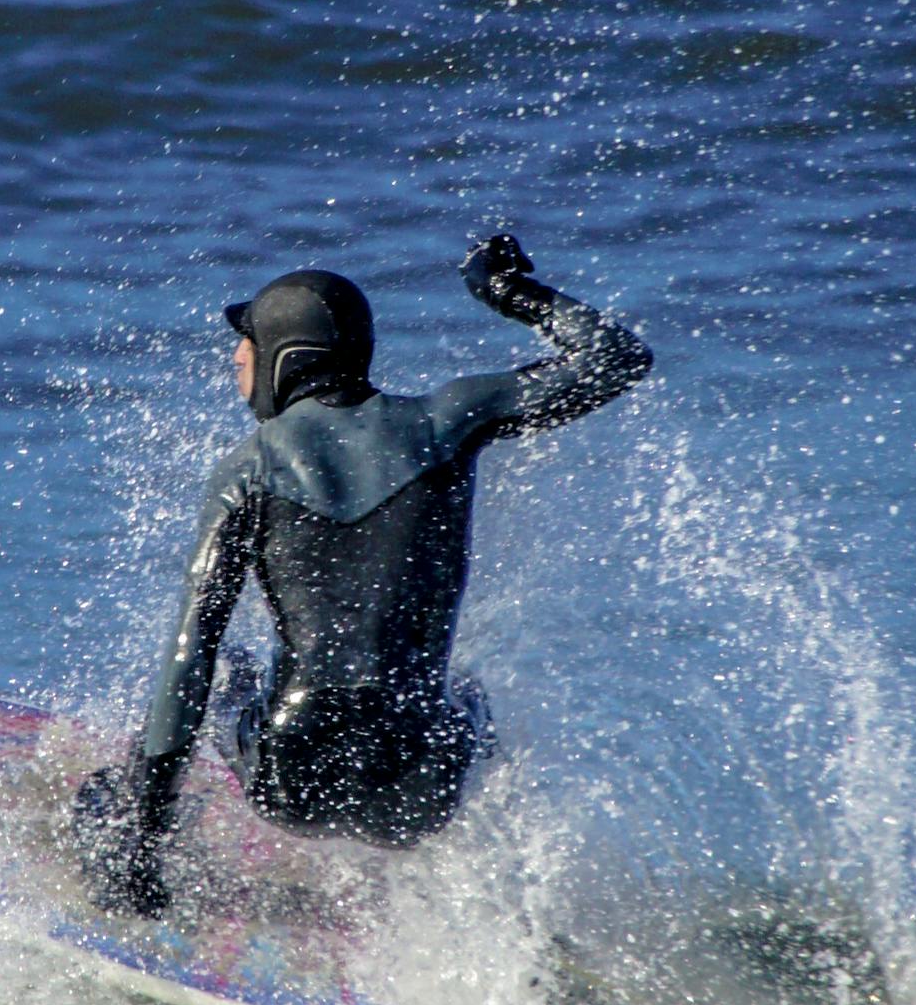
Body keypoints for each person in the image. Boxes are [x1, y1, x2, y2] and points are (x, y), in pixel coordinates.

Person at [73, 232, 651, 917]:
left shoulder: (249, 467)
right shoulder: (446, 421)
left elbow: (186, 662)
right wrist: (507, 292)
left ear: (286, 356)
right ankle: (483, 907)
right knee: (467, 698)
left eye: (247, 342)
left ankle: (140, 884)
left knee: (221, 677)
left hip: (290, 780)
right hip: (418, 789)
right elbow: (615, 358)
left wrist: (140, 826)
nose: (236, 359)